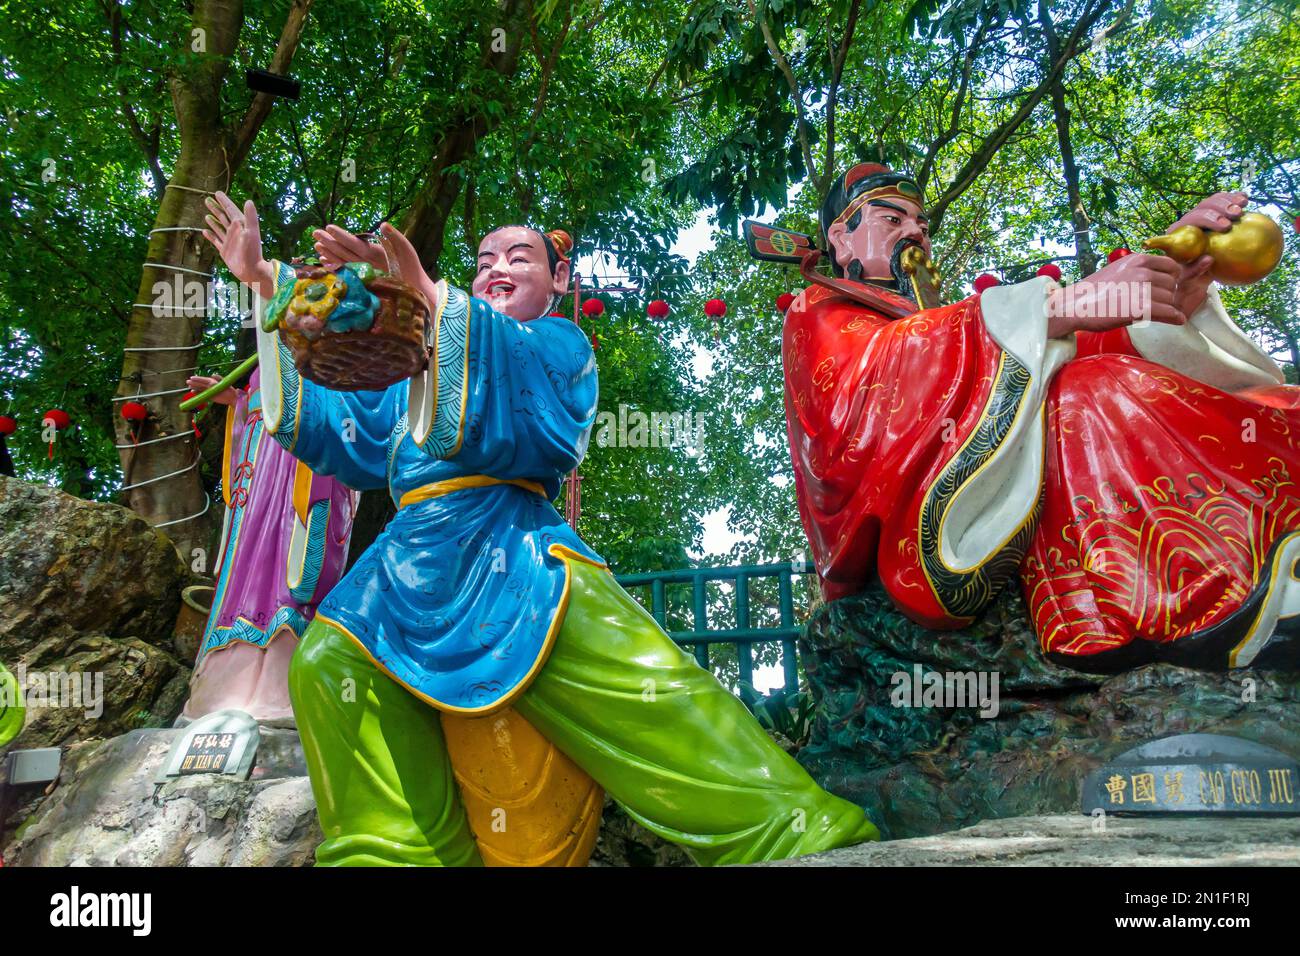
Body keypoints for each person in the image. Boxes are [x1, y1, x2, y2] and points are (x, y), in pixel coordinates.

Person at [201, 191, 877, 866]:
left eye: (518, 257)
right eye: (485, 258)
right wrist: (268, 281)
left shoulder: (558, 344)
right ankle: (394, 854)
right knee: (328, 663)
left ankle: (792, 829)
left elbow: (534, 420)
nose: (496, 267)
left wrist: (427, 292)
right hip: (406, 559)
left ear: (557, 280)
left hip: (512, 545)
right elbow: (344, 432)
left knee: (648, 690)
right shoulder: (418, 360)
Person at [783, 163, 1300, 673]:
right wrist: (1063, 305)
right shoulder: (820, 308)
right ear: (841, 239)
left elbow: (1052, 352)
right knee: (1083, 392)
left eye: (920, 223)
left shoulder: (965, 326)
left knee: (1088, 383)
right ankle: (1203, 596)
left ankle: (1222, 577)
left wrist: (1165, 296)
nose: (915, 231)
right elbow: (862, 399)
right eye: (892, 220)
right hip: (906, 530)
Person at [177, 364, 357, 725]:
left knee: (286, 565)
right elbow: (254, 406)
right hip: (258, 462)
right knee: (244, 569)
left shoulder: (325, 331)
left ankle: (280, 686)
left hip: (297, 461)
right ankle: (223, 689)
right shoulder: (267, 346)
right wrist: (236, 401)